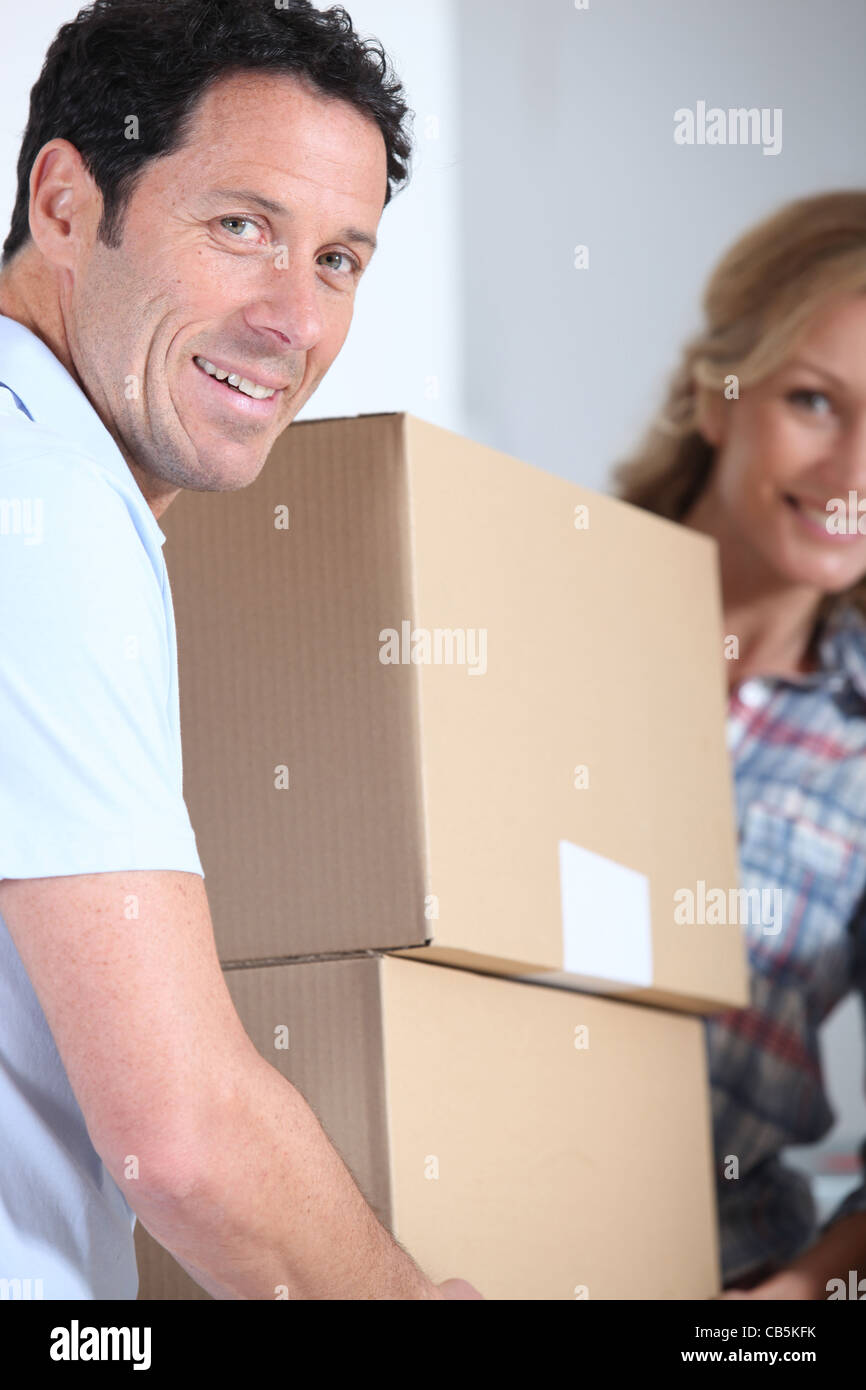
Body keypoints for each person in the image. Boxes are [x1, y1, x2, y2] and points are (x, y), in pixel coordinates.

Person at [0, 0, 480, 1301]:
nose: (293, 318)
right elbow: (181, 1140)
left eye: (338, 259)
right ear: (64, 202)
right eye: (240, 226)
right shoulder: (37, 503)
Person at [614, 190, 866, 1300]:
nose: (851, 474)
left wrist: (803, 1290)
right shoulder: (517, 610)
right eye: (814, 401)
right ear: (715, 400)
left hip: (716, 1277)